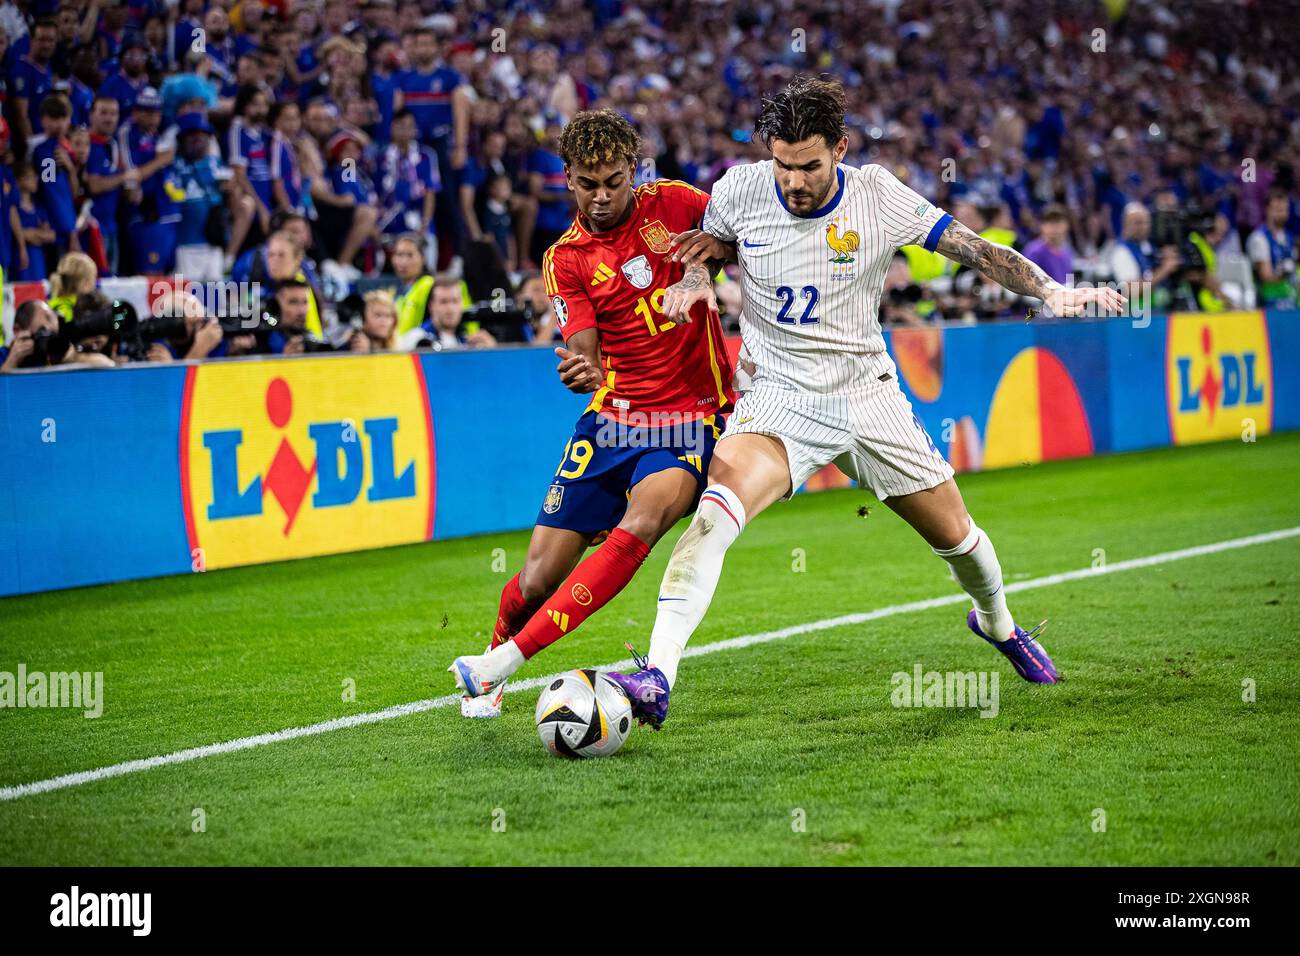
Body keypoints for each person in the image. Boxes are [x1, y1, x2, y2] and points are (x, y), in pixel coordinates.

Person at [618, 77, 1125, 727]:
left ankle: (998, 625)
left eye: (808, 165)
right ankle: (658, 675)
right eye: (783, 164)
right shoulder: (739, 189)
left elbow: (971, 248)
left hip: (868, 395)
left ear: (840, 149)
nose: (794, 181)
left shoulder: (877, 195)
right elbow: (710, 247)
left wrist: (1052, 293)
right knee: (715, 514)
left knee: (962, 542)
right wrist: (694, 278)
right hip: (779, 397)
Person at [448, 109, 734, 719]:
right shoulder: (566, 258)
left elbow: (744, 233)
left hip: (690, 416)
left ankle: (505, 663)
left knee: (645, 519)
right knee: (534, 582)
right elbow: (582, 348)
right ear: (568, 179)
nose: (601, 196)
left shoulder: (681, 203)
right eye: (586, 183)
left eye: (612, 180)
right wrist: (585, 370)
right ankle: (496, 658)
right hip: (611, 422)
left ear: (633, 169)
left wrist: (710, 263)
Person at [1246, 187, 1298, 307]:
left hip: (1292, 299)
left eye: (1285, 210)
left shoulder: (1289, 237)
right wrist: (1284, 272)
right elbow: (1266, 277)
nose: (1282, 214)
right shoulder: (1259, 238)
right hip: (1270, 302)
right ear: (1267, 210)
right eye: (1277, 210)